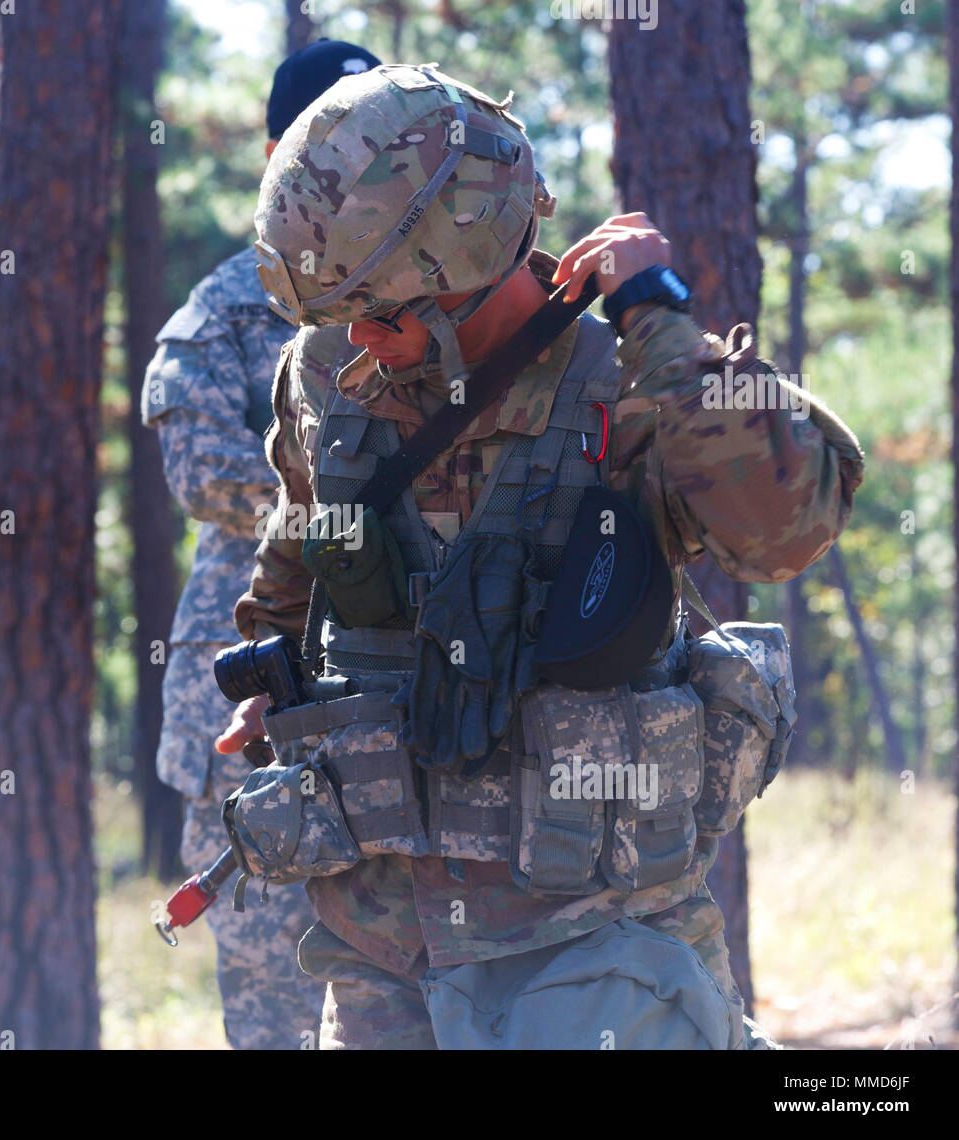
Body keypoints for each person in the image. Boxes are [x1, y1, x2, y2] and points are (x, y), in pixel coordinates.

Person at [219, 62, 864, 1049]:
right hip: (382, 958)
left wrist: (656, 313)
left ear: (459, 267)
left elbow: (782, 529)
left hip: (597, 952)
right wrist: (272, 673)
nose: (358, 337)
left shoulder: (633, 386)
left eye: (381, 312)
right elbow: (306, 544)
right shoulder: (328, 379)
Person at [141, 39, 381, 1050]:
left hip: (391, 667)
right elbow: (200, 470)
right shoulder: (229, 306)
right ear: (276, 149)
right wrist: (347, 510)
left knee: (399, 973)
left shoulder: (427, 297)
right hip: (252, 673)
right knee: (270, 981)